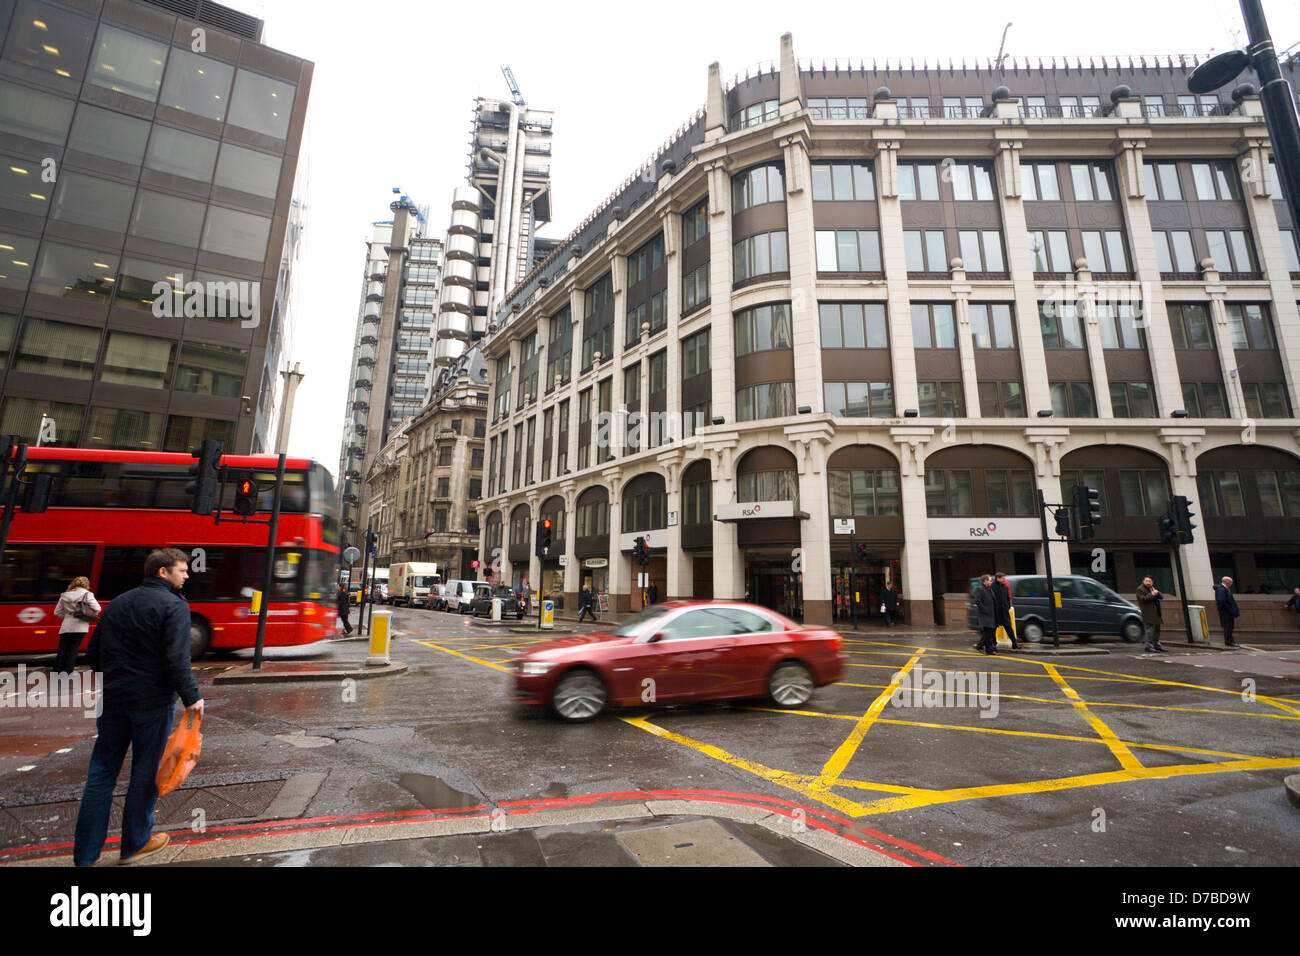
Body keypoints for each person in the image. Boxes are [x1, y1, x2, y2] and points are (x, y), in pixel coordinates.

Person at [73, 548, 203, 867]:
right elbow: (176, 659)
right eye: (182, 570)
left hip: (114, 698)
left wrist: (120, 676)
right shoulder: (174, 606)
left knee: (102, 772)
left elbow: (93, 655)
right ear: (163, 572)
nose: (187, 575)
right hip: (153, 702)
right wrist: (192, 697)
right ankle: (135, 843)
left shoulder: (118, 603)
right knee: (145, 772)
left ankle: (85, 856)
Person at [53, 576, 101, 674]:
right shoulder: (87, 594)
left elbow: (57, 612)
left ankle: (57, 670)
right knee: (73, 650)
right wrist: (86, 616)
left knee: (62, 649)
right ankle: (67, 672)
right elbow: (97, 608)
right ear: (86, 584)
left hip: (66, 626)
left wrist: (67, 617)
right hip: (80, 626)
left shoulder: (64, 595)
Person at [1135, 576, 1166, 652]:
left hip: (1156, 612)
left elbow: (1162, 597)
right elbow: (1143, 599)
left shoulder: (1152, 588)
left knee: (1157, 630)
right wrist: (1152, 594)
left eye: (1149, 581)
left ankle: (1156, 645)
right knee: (1149, 630)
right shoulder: (1140, 589)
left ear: (1152, 582)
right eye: (1146, 581)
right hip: (1148, 612)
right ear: (1143, 581)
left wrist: (1157, 592)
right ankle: (1148, 646)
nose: (1148, 582)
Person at [973, 574, 998, 655]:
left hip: (991, 614)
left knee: (989, 632)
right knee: (988, 631)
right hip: (985, 614)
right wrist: (985, 610)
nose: (991, 582)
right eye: (990, 580)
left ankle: (989, 650)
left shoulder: (989, 589)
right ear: (985, 581)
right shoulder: (979, 589)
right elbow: (977, 601)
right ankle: (979, 645)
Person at [1214, 576, 1240, 648]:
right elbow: (1221, 601)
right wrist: (1229, 609)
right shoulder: (1221, 590)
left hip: (1227, 612)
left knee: (1229, 627)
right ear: (1227, 582)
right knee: (1228, 627)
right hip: (1226, 613)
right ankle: (1229, 641)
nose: (1231, 584)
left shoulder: (1224, 589)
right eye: (1231, 582)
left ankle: (1230, 641)